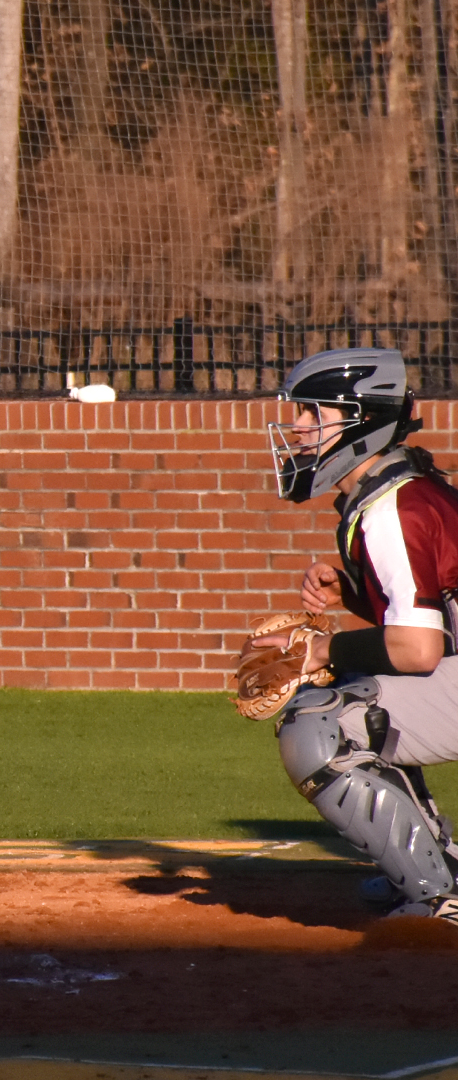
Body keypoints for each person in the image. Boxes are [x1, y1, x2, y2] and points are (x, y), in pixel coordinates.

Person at [257, 347, 458, 924]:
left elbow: (418, 651)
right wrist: (350, 597)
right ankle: (440, 866)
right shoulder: (401, 488)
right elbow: (436, 625)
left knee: (319, 721)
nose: (299, 427)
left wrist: (320, 648)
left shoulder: (392, 507)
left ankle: (440, 896)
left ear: (361, 422)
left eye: (314, 413)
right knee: (355, 686)